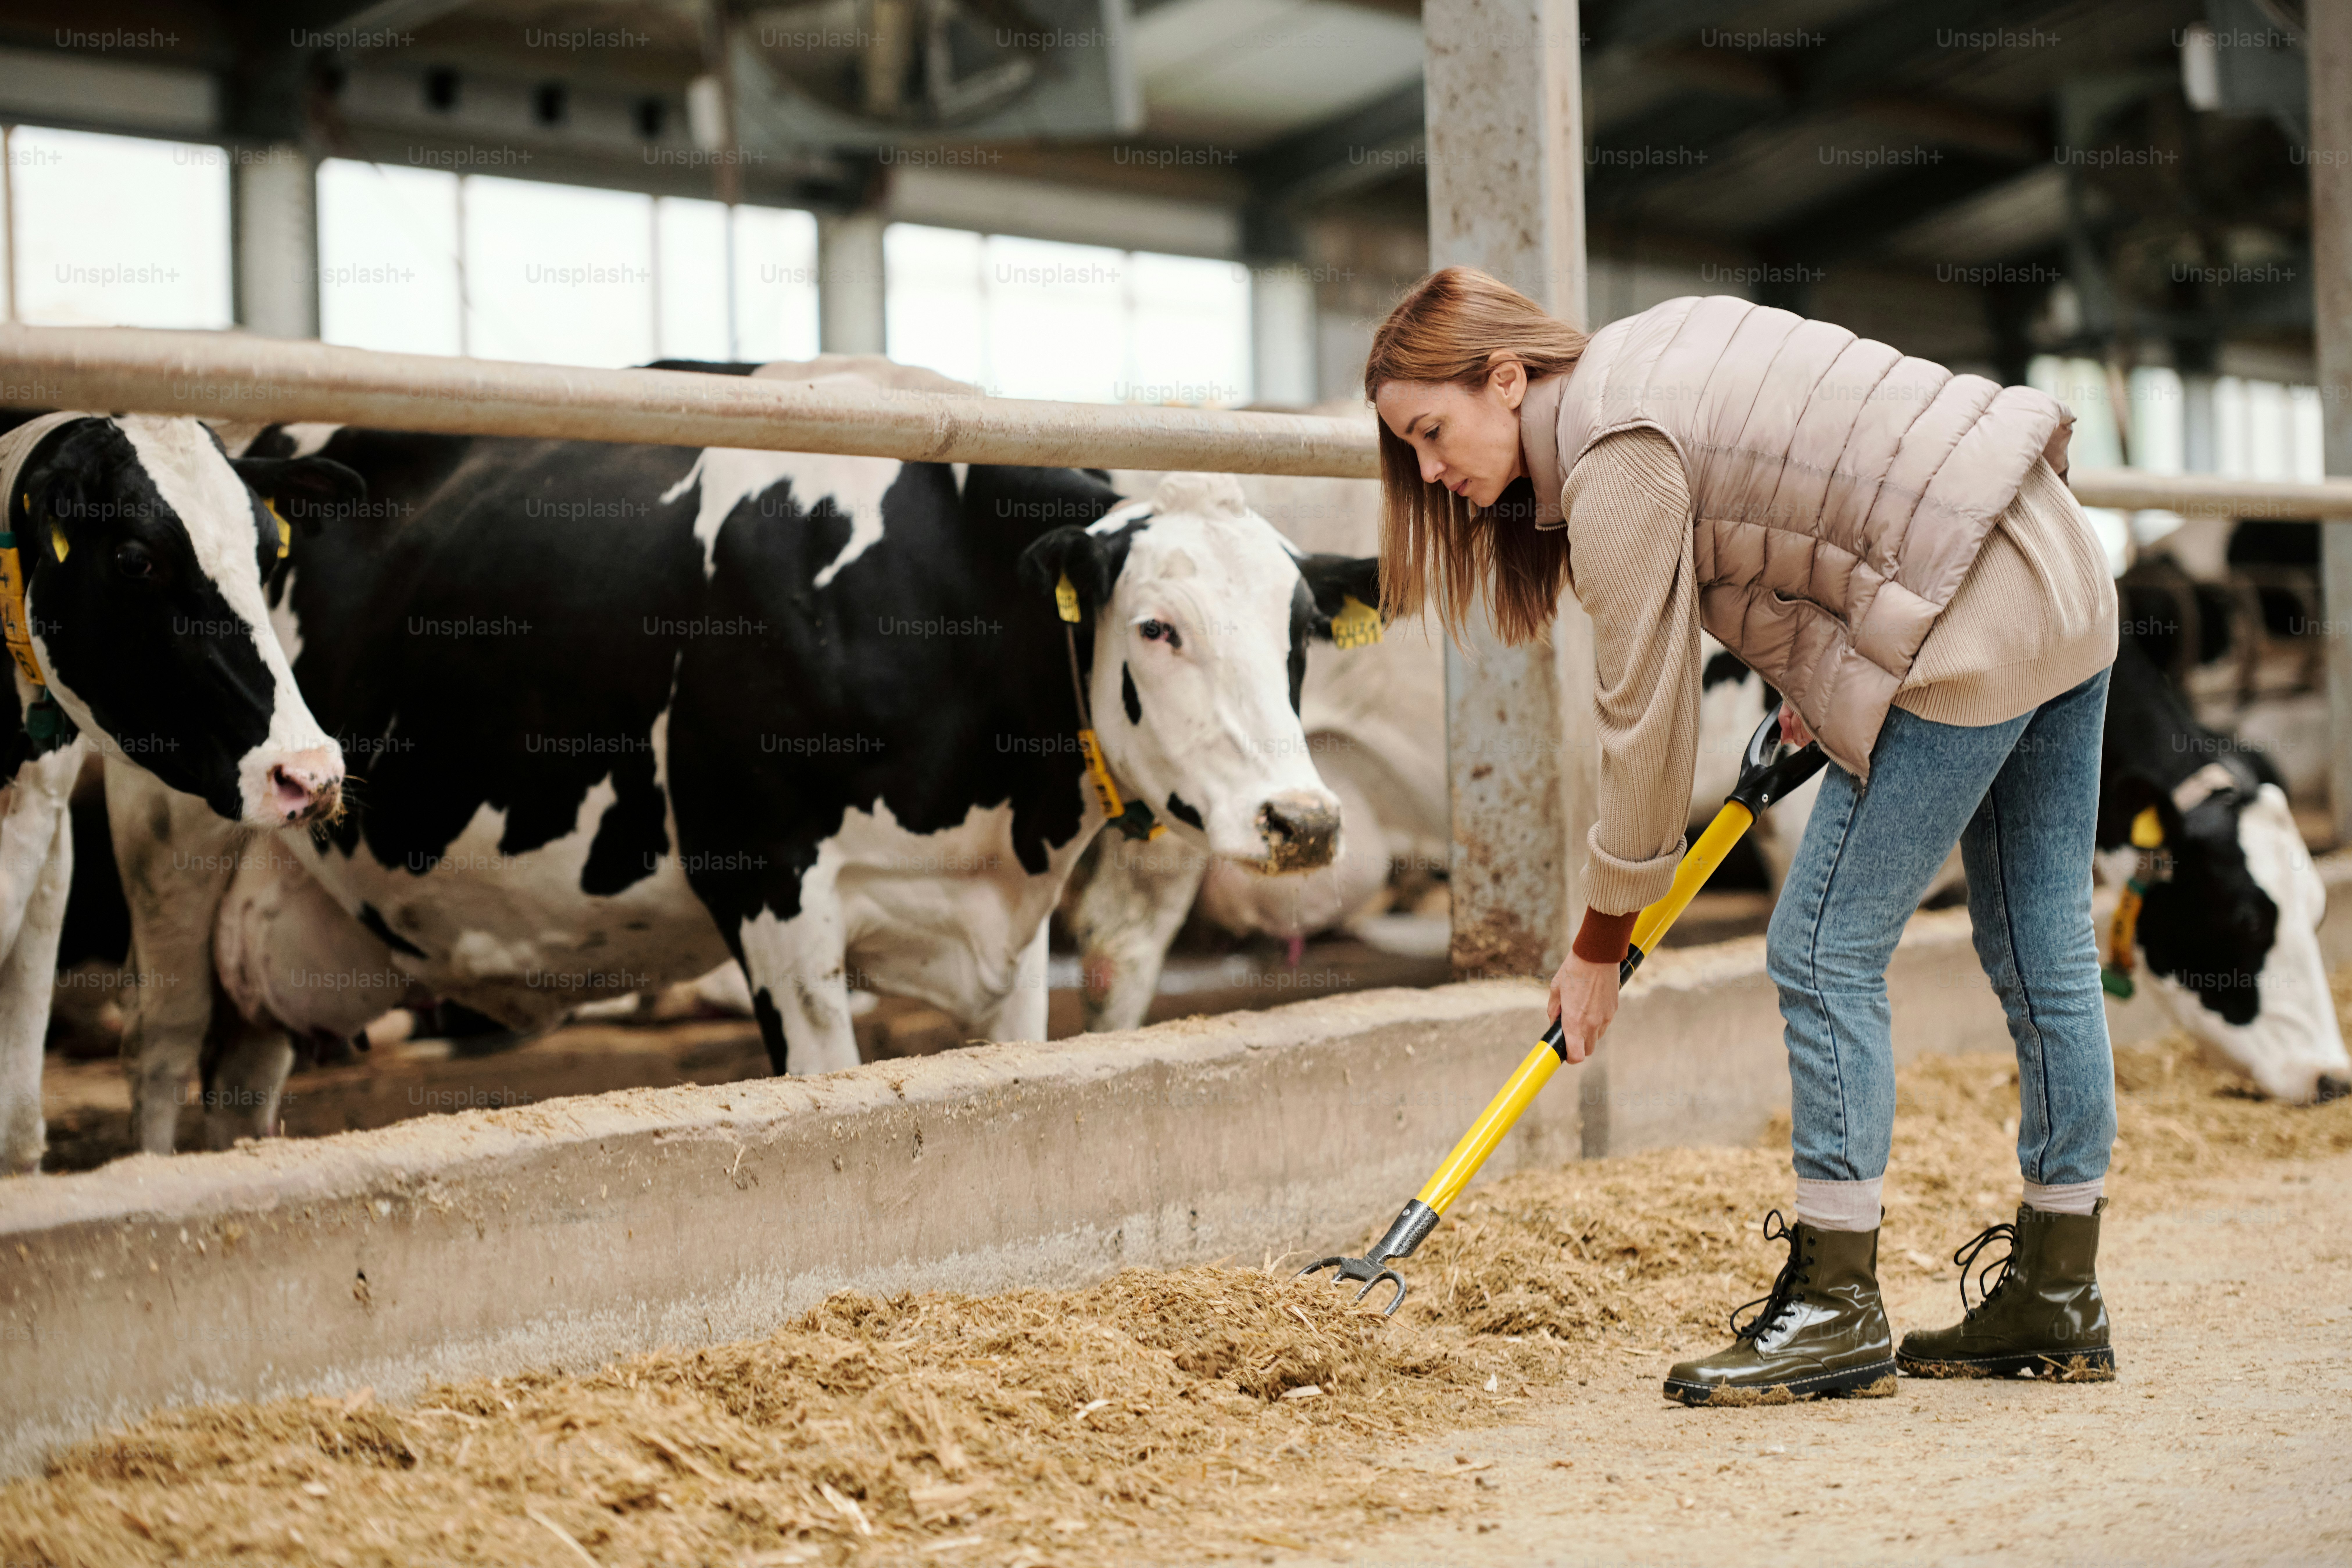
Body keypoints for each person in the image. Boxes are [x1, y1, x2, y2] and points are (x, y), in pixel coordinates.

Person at [1365, 269, 2121, 1405]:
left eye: (1431, 431)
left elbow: (1647, 727)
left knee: (1819, 947)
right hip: (2054, 567)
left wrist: (1597, 939)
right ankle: (2059, 1290)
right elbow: (1815, 496)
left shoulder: (1613, 452)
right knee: (2042, 933)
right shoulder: (1641, 354)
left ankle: (1833, 1304)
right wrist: (1818, 675)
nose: (1429, 470)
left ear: (1506, 377)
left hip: (1969, 607)